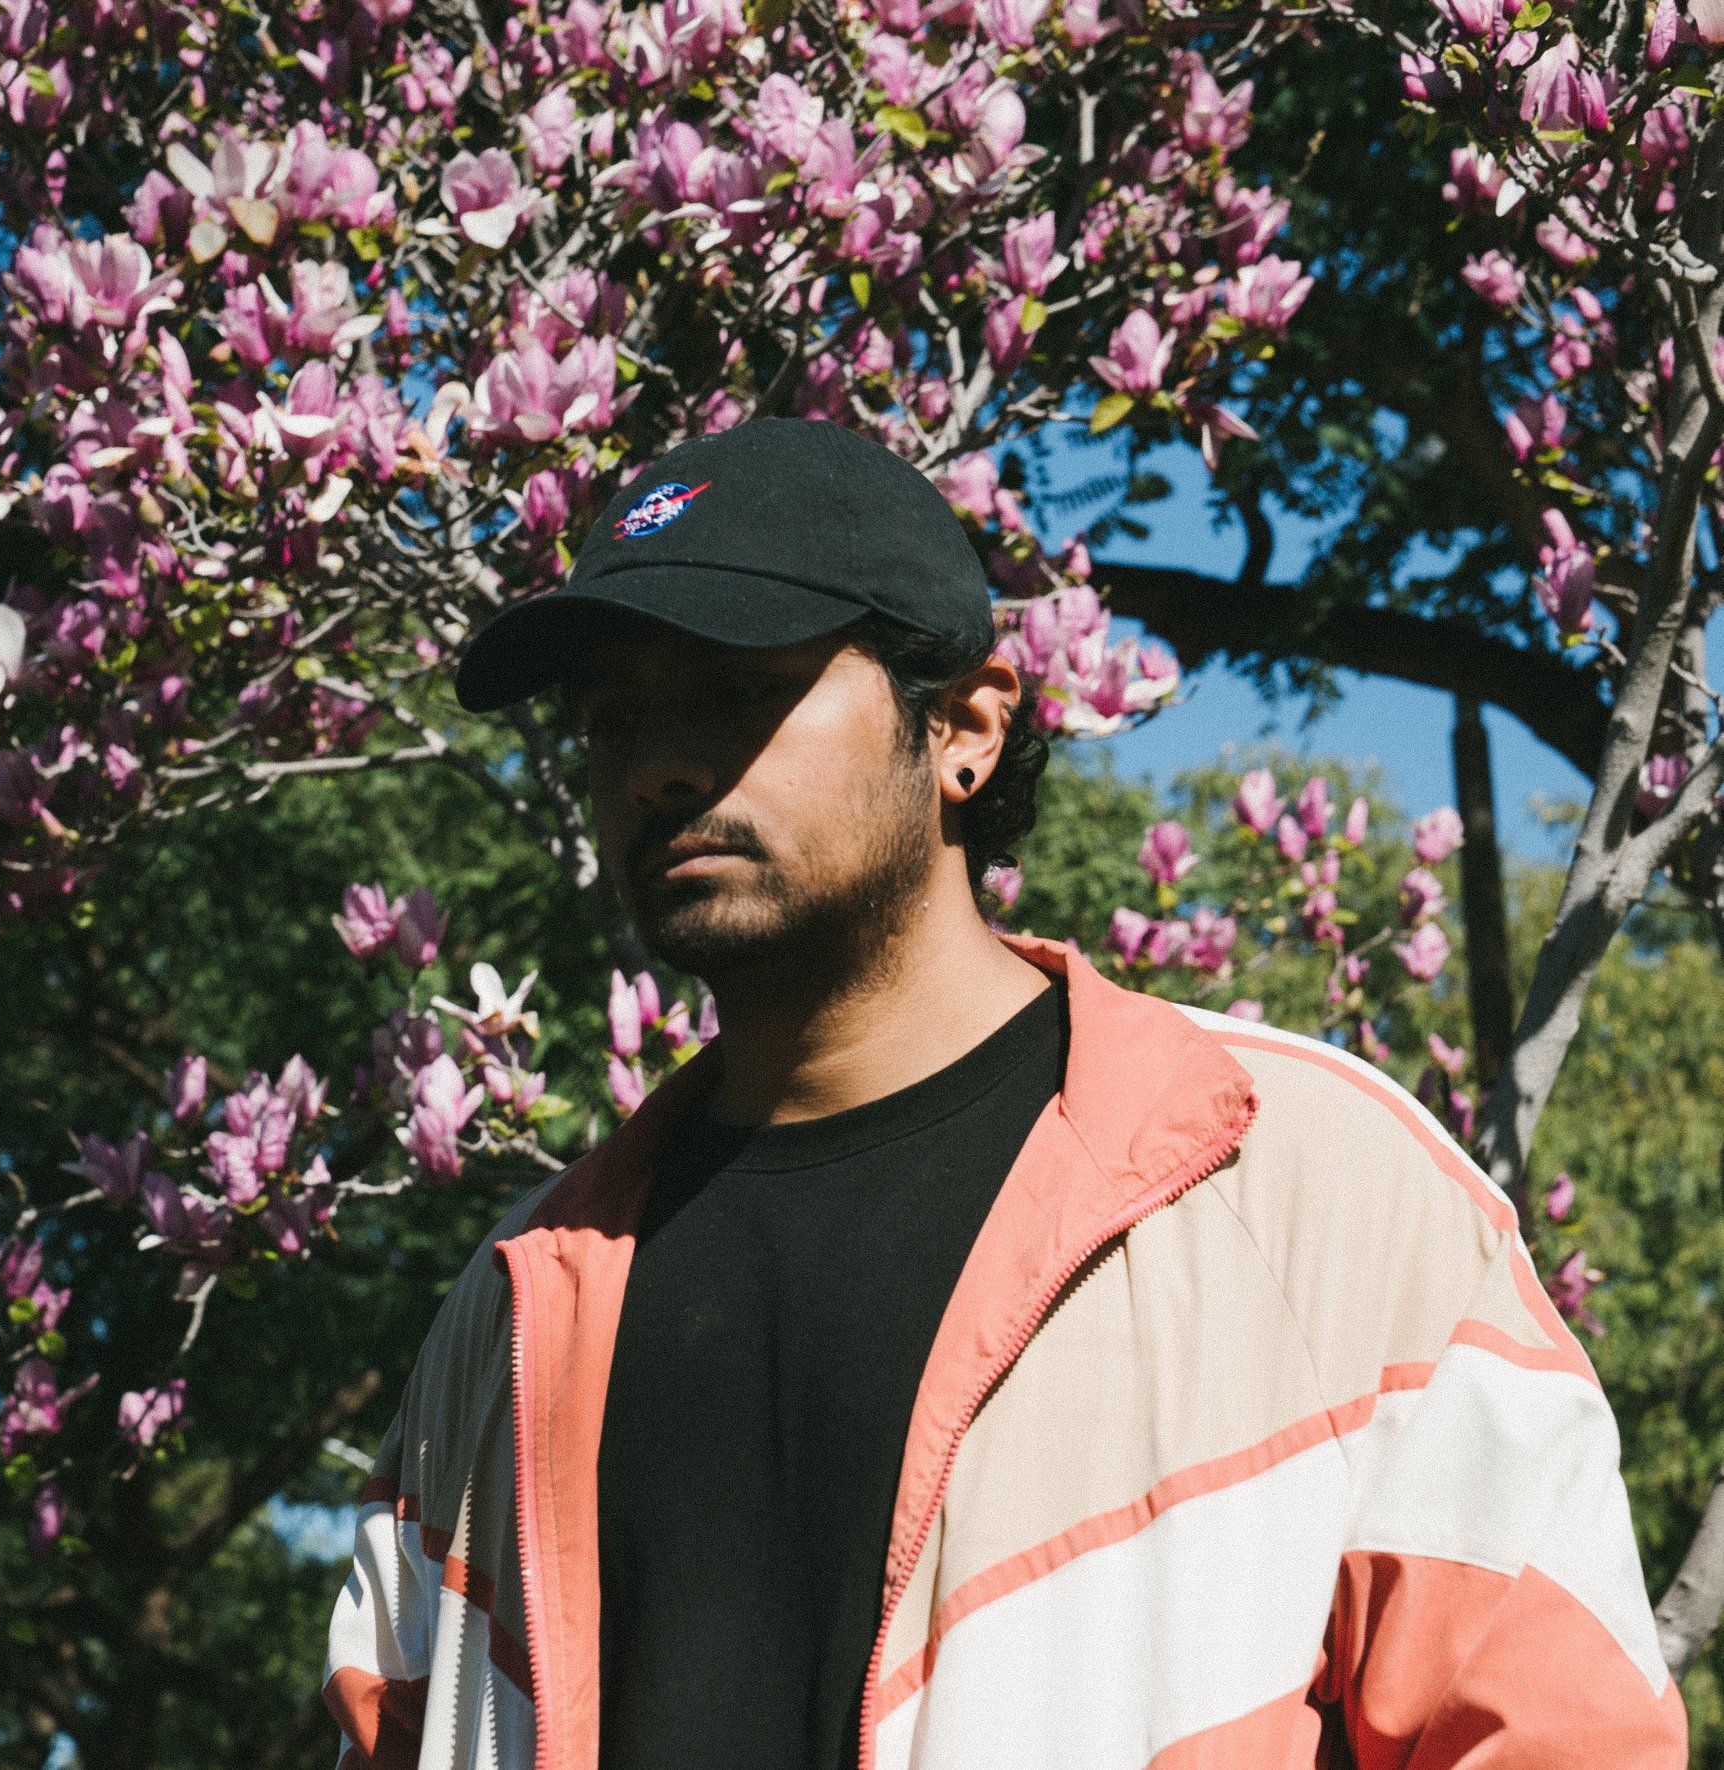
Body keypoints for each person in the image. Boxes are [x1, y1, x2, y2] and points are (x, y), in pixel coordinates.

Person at [323, 418, 1686, 1769]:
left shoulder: (1312, 1188)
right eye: (614, 716)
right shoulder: (514, 1307)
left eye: (744, 689)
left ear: (967, 726)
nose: (660, 762)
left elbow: (1559, 1737)